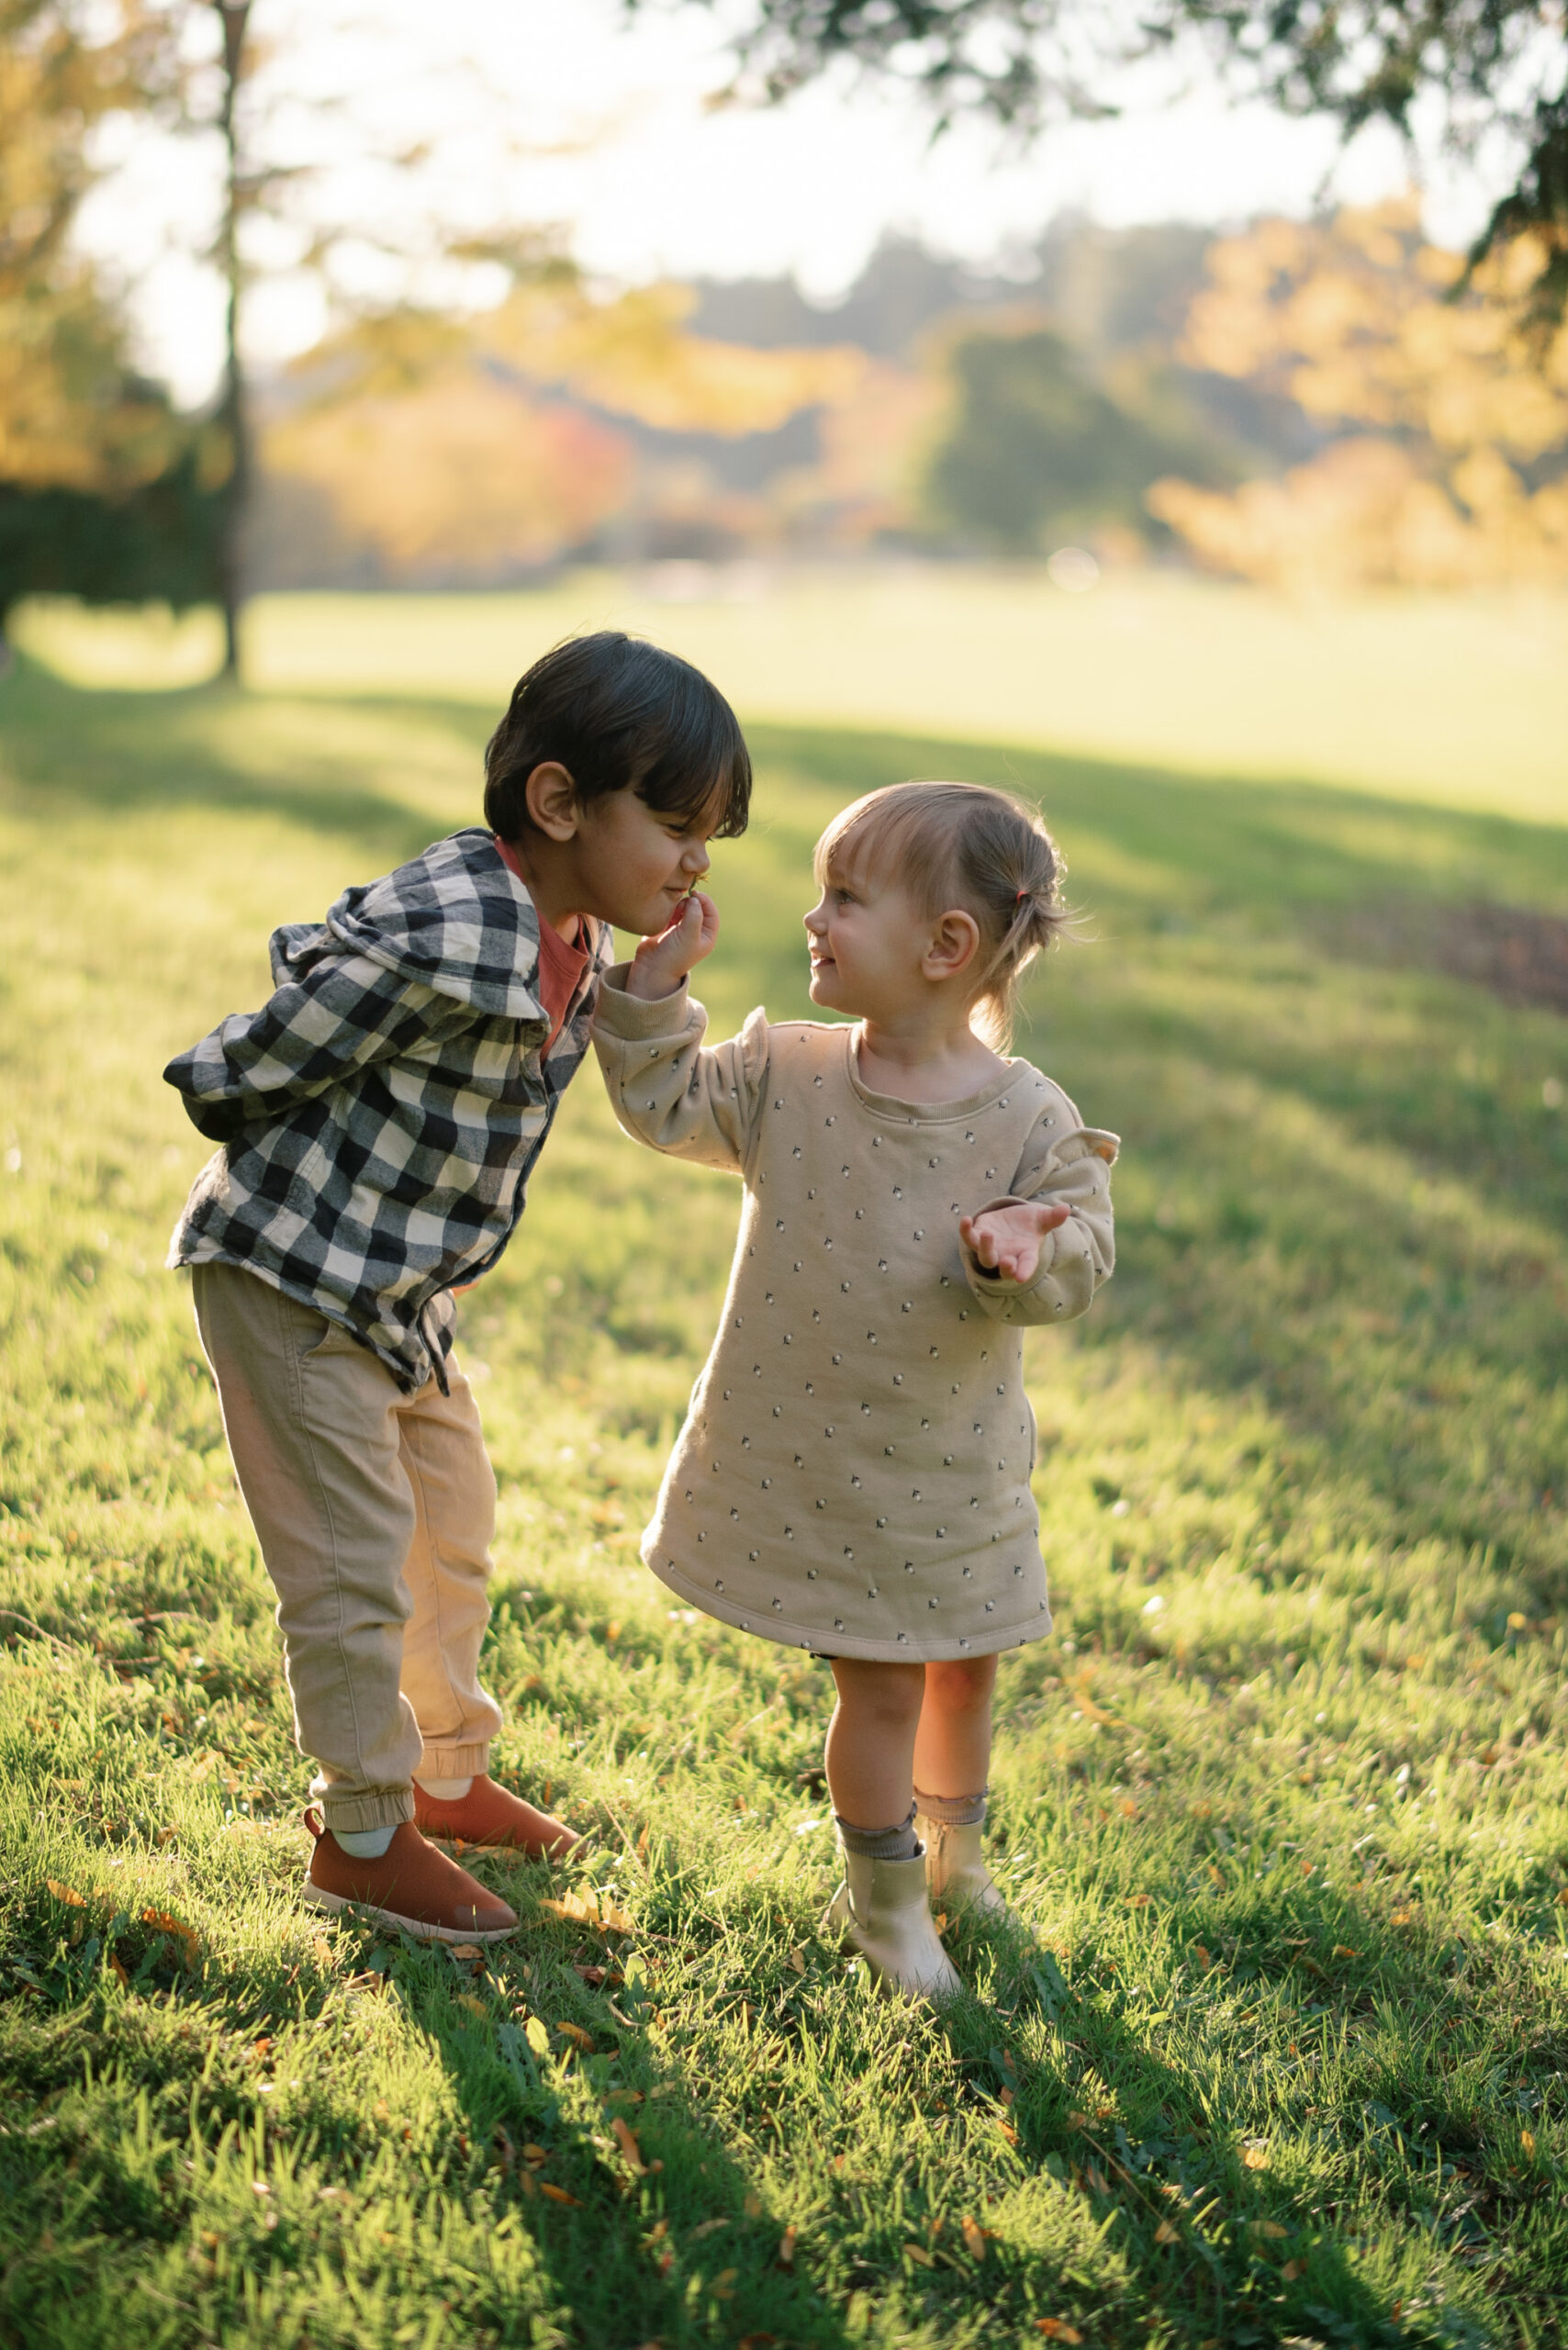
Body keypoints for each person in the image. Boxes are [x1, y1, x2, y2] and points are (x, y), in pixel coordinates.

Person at [163, 632, 750, 1944]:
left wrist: (642, 991)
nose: (697, 861)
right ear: (558, 805)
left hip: (397, 1299)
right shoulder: (453, 925)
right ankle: (363, 1831)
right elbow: (298, 1018)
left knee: (452, 1532)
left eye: (711, 837)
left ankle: (447, 1770)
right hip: (294, 1278)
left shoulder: (569, 927)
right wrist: (220, 1085)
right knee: (354, 1566)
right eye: (675, 825)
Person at [592, 780, 1116, 1997]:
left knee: (966, 1663)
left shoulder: (1029, 1116)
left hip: (957, 1466)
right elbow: (662, 1103)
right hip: (823, 1457)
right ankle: (884, 1904)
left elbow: (1080, 1250)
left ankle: (955, 1857)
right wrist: (655, 988)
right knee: (881, 1683)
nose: (812, 919)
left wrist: (1028, 1253)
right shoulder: (789, 1075)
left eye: (845, 897)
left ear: (948, 947)